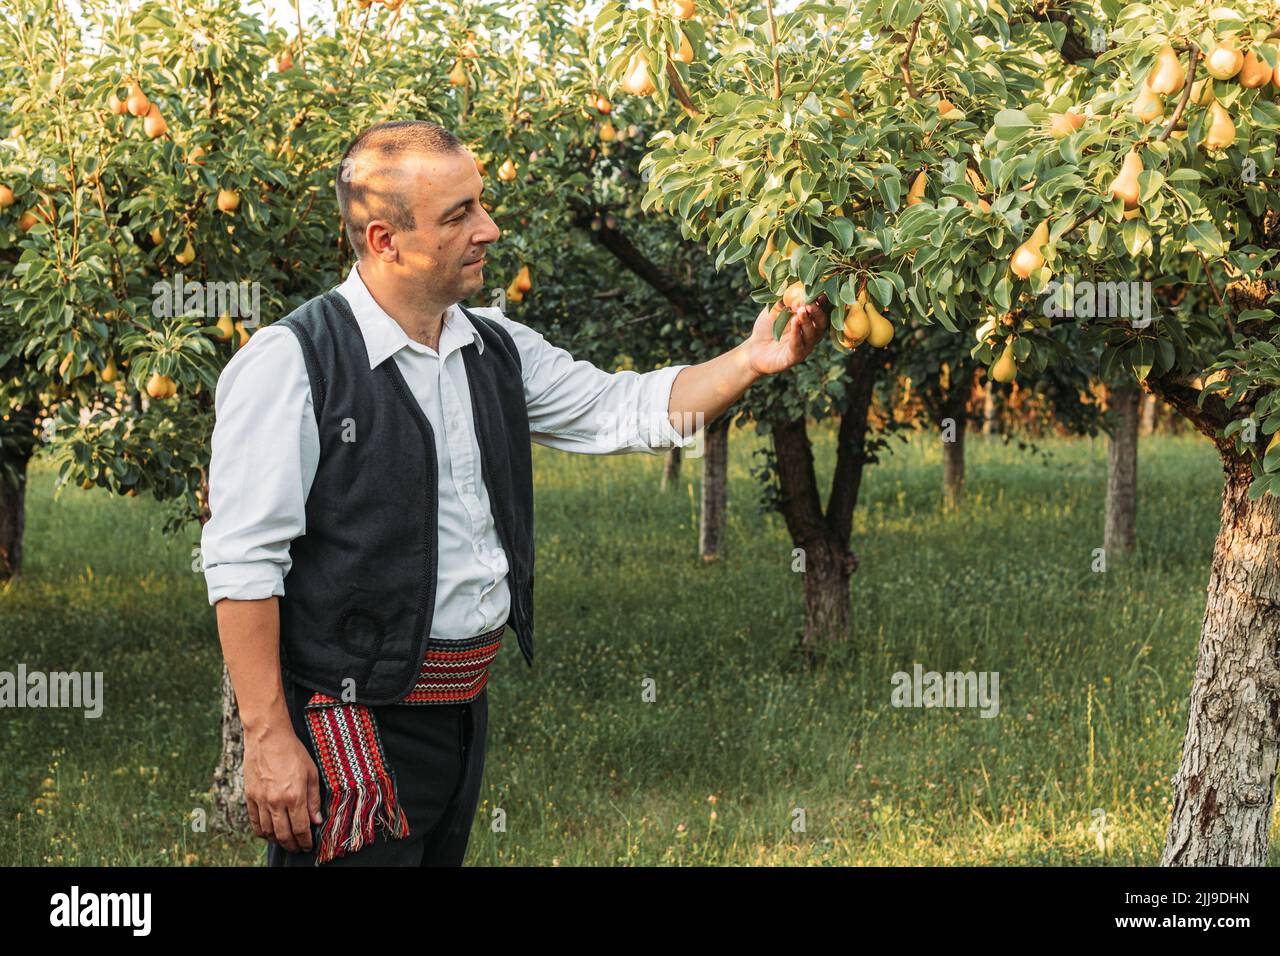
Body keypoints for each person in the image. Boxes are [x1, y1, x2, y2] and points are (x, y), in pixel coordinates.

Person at [201, 119, 829, 866]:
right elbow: (245, 563)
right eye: (459, 215)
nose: (488, 229)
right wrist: (269, 736)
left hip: (462, 713)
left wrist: (753, 361)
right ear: (383, 239)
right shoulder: (294, 363)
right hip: (353, 727)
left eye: (481, 205)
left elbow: (622, 410)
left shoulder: (491, 346)